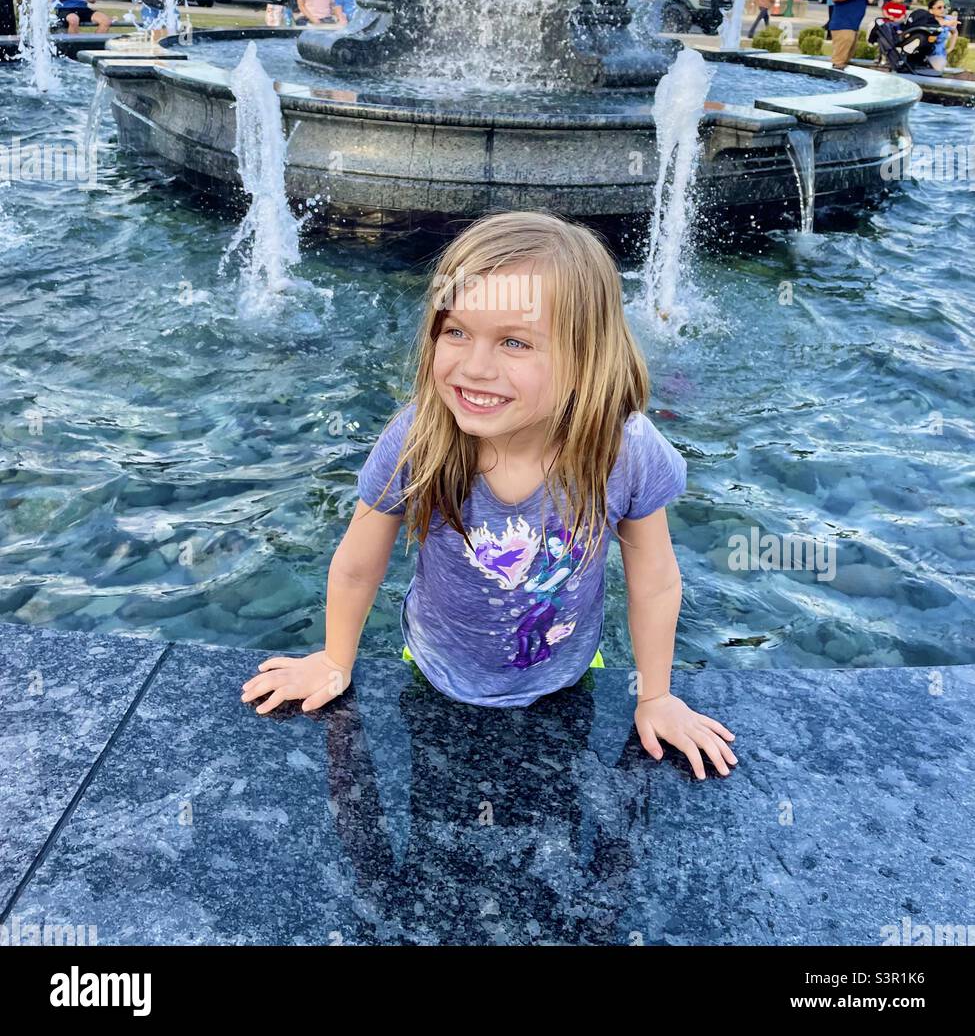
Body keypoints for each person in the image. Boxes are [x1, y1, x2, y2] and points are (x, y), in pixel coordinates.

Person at [240, 210, 738, 781]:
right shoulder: (417, 437)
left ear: (586, 356)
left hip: (569, 672)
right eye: (456, 331)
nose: (474, 367)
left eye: (514, 342)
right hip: (433, 666)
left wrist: (655, 697)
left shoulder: (622, 451)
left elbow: (654, 581)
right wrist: (333, 660)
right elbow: (358, 565)